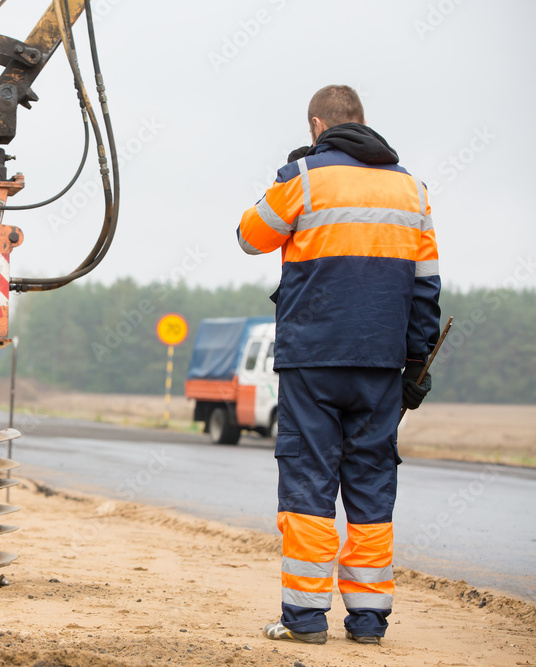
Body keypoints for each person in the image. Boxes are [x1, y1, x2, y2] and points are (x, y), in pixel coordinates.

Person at [237, 85, 441, 646]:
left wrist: (289, 174)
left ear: (315, 125)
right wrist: (416, 363)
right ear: (364, 122)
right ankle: (369, 622)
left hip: (313, 362)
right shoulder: (413, 191)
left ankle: (304, 620)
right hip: (382, 364)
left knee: (308, 483)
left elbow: (249, 239)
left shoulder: (303, 179)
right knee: (372, 488)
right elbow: (427, 290)